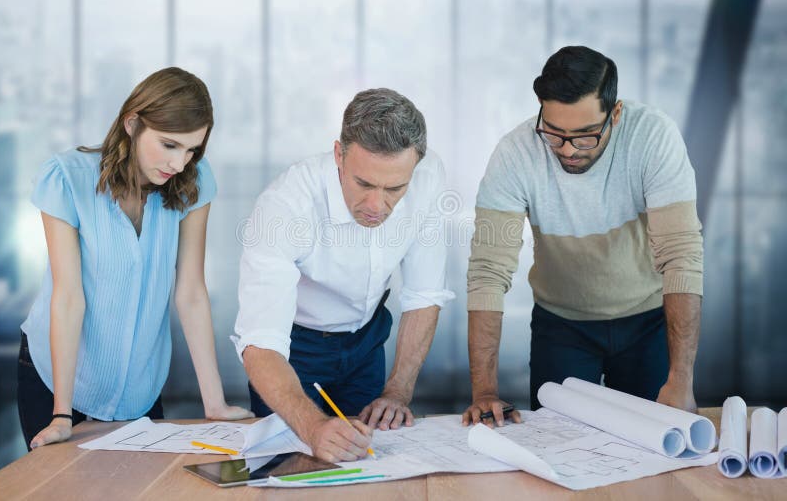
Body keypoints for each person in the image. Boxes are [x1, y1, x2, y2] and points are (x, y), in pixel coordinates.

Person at [463, 46, 703, 427]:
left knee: (653, 441)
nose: (568, 150)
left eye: (585, 136)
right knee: (558, 443)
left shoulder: (653, 137)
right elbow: (488, 273)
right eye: (554, 133)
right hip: (561, 326)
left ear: (615, 114)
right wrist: (484, 392)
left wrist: (681, 381)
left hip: (648, 321)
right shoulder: (514, 154)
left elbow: (681, 255)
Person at [18, 67, 252, 450]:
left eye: (192, 150)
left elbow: (191, 292)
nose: (179, 163)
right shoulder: (67, 179)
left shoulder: (193, 180)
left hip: (139, 387)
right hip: (58, 381)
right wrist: (61, 415)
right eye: (169, 145)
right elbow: (68, 297)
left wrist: (215, 404)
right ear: (132, 124)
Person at [233, 88, 454, 462]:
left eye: (395, 188)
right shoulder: (285, 205)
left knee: (365, 463)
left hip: (367, 343)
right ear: (339, 154)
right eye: (364, 183)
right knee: (291, 463)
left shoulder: (428, 174)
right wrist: (313, 427)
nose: (376, 205)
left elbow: (424, 294)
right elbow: (260, 342)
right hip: (294, 352)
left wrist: (398, 392)